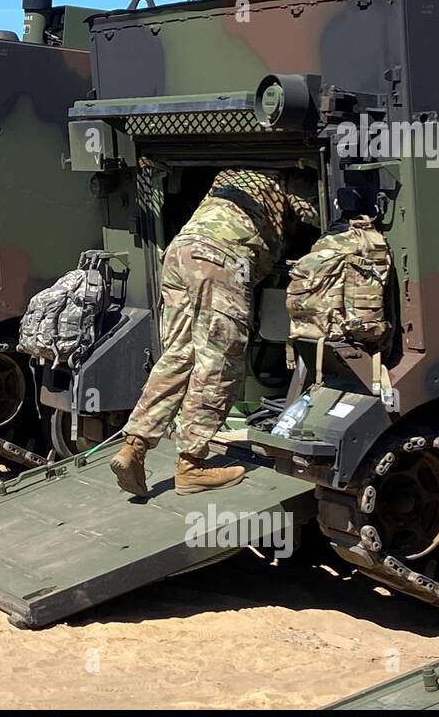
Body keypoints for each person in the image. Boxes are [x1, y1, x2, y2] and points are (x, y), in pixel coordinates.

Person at [111, 168, 319, 497]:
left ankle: (133, 446)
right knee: (219, 362)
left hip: (181, 252)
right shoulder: (290, 175)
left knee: (179, 354)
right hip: (222, 260)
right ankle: (191, 465)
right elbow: (318, 211)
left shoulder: (230, 173)